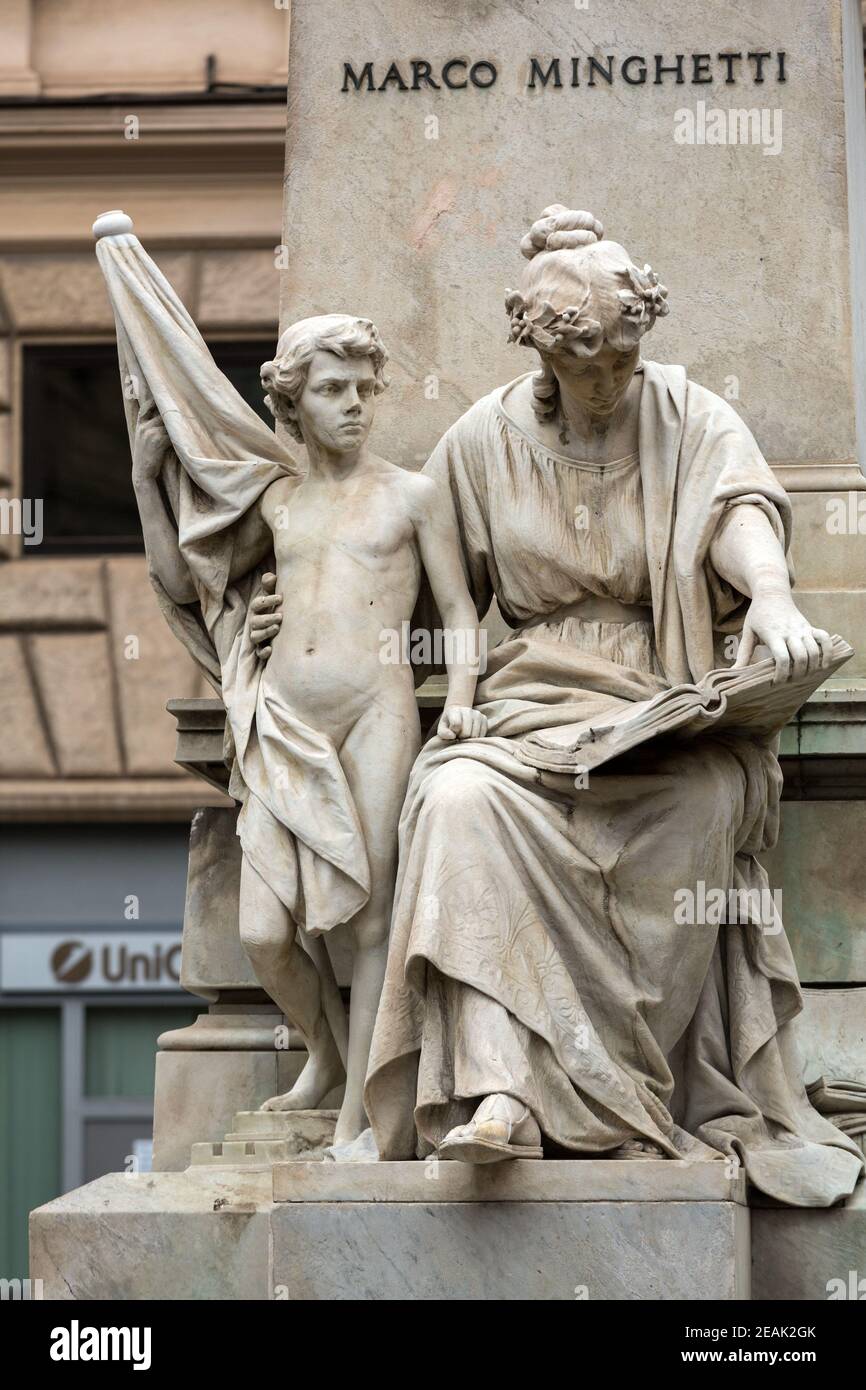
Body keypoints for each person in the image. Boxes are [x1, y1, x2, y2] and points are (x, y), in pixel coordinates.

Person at [254, 206, 862, 1204]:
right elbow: (396, 576)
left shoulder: (684, 412)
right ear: (541, 348)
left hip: (654, 695)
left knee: (709, 796)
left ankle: (624, 1083)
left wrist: (771, 594)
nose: (609, 386)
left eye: (623, 364)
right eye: (588, 371)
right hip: (526, 702)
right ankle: (502, 1091)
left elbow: (734, 510)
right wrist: (283, 598)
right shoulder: (477, 442)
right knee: (453, 799)